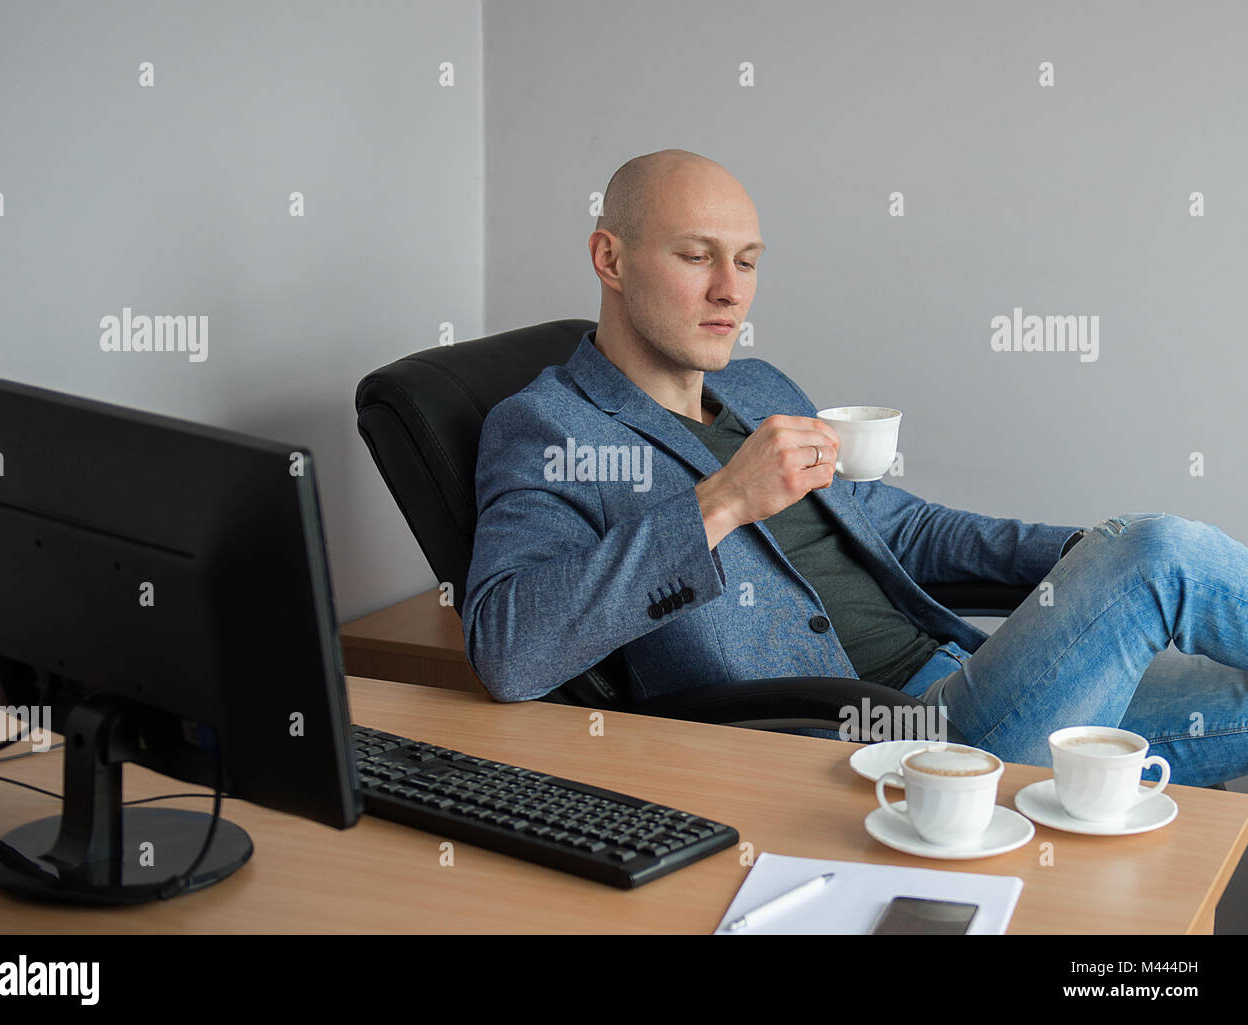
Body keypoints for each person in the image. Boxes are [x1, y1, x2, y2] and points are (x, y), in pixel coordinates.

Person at [462, 148, 1248, 786]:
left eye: (747, 260)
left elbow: (895, 524)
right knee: (1160, 551)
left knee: (1133, 557)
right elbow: (508, 647)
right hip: (889, 747)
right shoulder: (545, 425)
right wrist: (722, 502)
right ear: (610, 258)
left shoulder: (757, 387)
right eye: (697, 256)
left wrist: (1082, 560)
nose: (730, 290)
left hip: (978, 679)